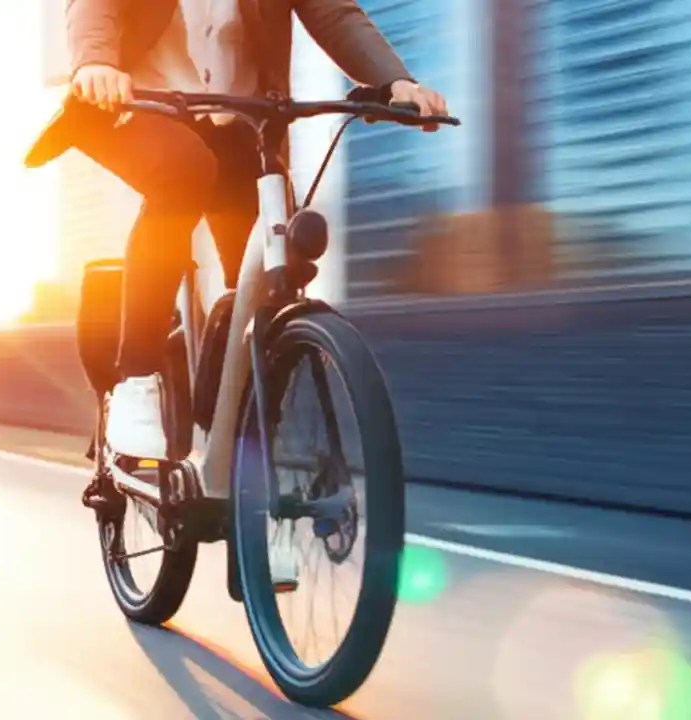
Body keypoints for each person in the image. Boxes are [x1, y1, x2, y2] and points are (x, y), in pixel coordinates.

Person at [42, 0, 448, 460]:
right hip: (135, 104)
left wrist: (395, 82)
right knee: (183, 175)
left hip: (237, 119)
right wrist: (95, 60)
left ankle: (232, 399)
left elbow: (333, 13)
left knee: (271, 259)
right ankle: (137, 379)